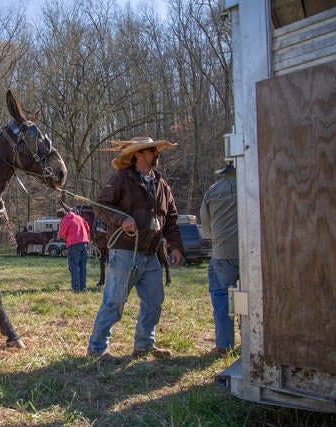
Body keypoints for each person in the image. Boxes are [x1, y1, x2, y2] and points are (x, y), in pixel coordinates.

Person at [87, 136, 184, 360]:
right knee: (114, 301)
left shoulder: (162, 184)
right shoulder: (122, 179)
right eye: (151, 150)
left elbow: (171, 219)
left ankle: (143, 345)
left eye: (155, 150)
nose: (156, 154)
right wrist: (122, 219)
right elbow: (99, 206)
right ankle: (97, 349)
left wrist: (176, 247)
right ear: (137, 154)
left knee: (154, 301)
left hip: (151, 254)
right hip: (124, 252)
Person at [200, 161, 239, 354]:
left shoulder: (213, 191)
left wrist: (220, 239)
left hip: (222, 252)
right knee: (254, 298)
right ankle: (252, 342)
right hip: (252, 252)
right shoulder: (253, 185)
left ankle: (224, 344)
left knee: (221, 296)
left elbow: (205, 224)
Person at [57, 208, 91, 292]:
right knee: (83, 266)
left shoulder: (65, 220)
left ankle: (76, 288)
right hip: (84, 243)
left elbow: (61, 235)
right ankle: (83, 287)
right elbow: (87, 228)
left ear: (61, 217)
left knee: (74, 266)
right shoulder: (79, 217)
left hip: (74, 244)